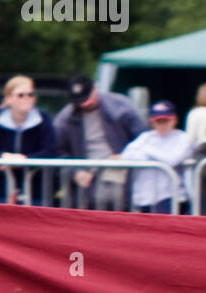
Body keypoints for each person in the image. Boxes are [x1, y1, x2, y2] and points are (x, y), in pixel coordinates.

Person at [52, 74, 145, 211]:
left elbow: (142, 139)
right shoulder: (65, 119)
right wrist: (75, 172)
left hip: (119, 173)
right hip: (88, 179)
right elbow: (58, 153)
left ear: (95, 88)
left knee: (119, 208)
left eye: (87, 98)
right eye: (80, 101)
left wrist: (126, 156)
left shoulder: (120, 106)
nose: (85, 103)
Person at [0, 75, 58, 205]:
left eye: (30, 95)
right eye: (21, 95)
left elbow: (50, 151)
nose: (26, 99)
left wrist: (24, 160)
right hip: (2, 187)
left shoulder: (43, 119)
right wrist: (4, 156)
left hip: (36, 189)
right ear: (9, 98)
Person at [120, 100, 193, 213]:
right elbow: (126, 156)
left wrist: (148, 151)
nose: (162, 125)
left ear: (174, 120)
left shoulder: (183, 138)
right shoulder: (146, 137)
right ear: (152, 123)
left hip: (170, 196)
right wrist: (157, 156)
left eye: (165, 121)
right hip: (145, 198)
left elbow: (172, 159)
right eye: (158, 121)